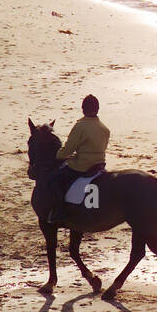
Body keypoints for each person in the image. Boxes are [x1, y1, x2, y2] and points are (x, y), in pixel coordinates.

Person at [47, 95, 110, 226]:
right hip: (99, 165)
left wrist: (58, 155)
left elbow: (68, 150)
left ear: (82, 109)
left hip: (82, 166)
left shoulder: (80, 126)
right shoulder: (104, 128)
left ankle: (60, 211)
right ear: (98, 109)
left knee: (53, 179)